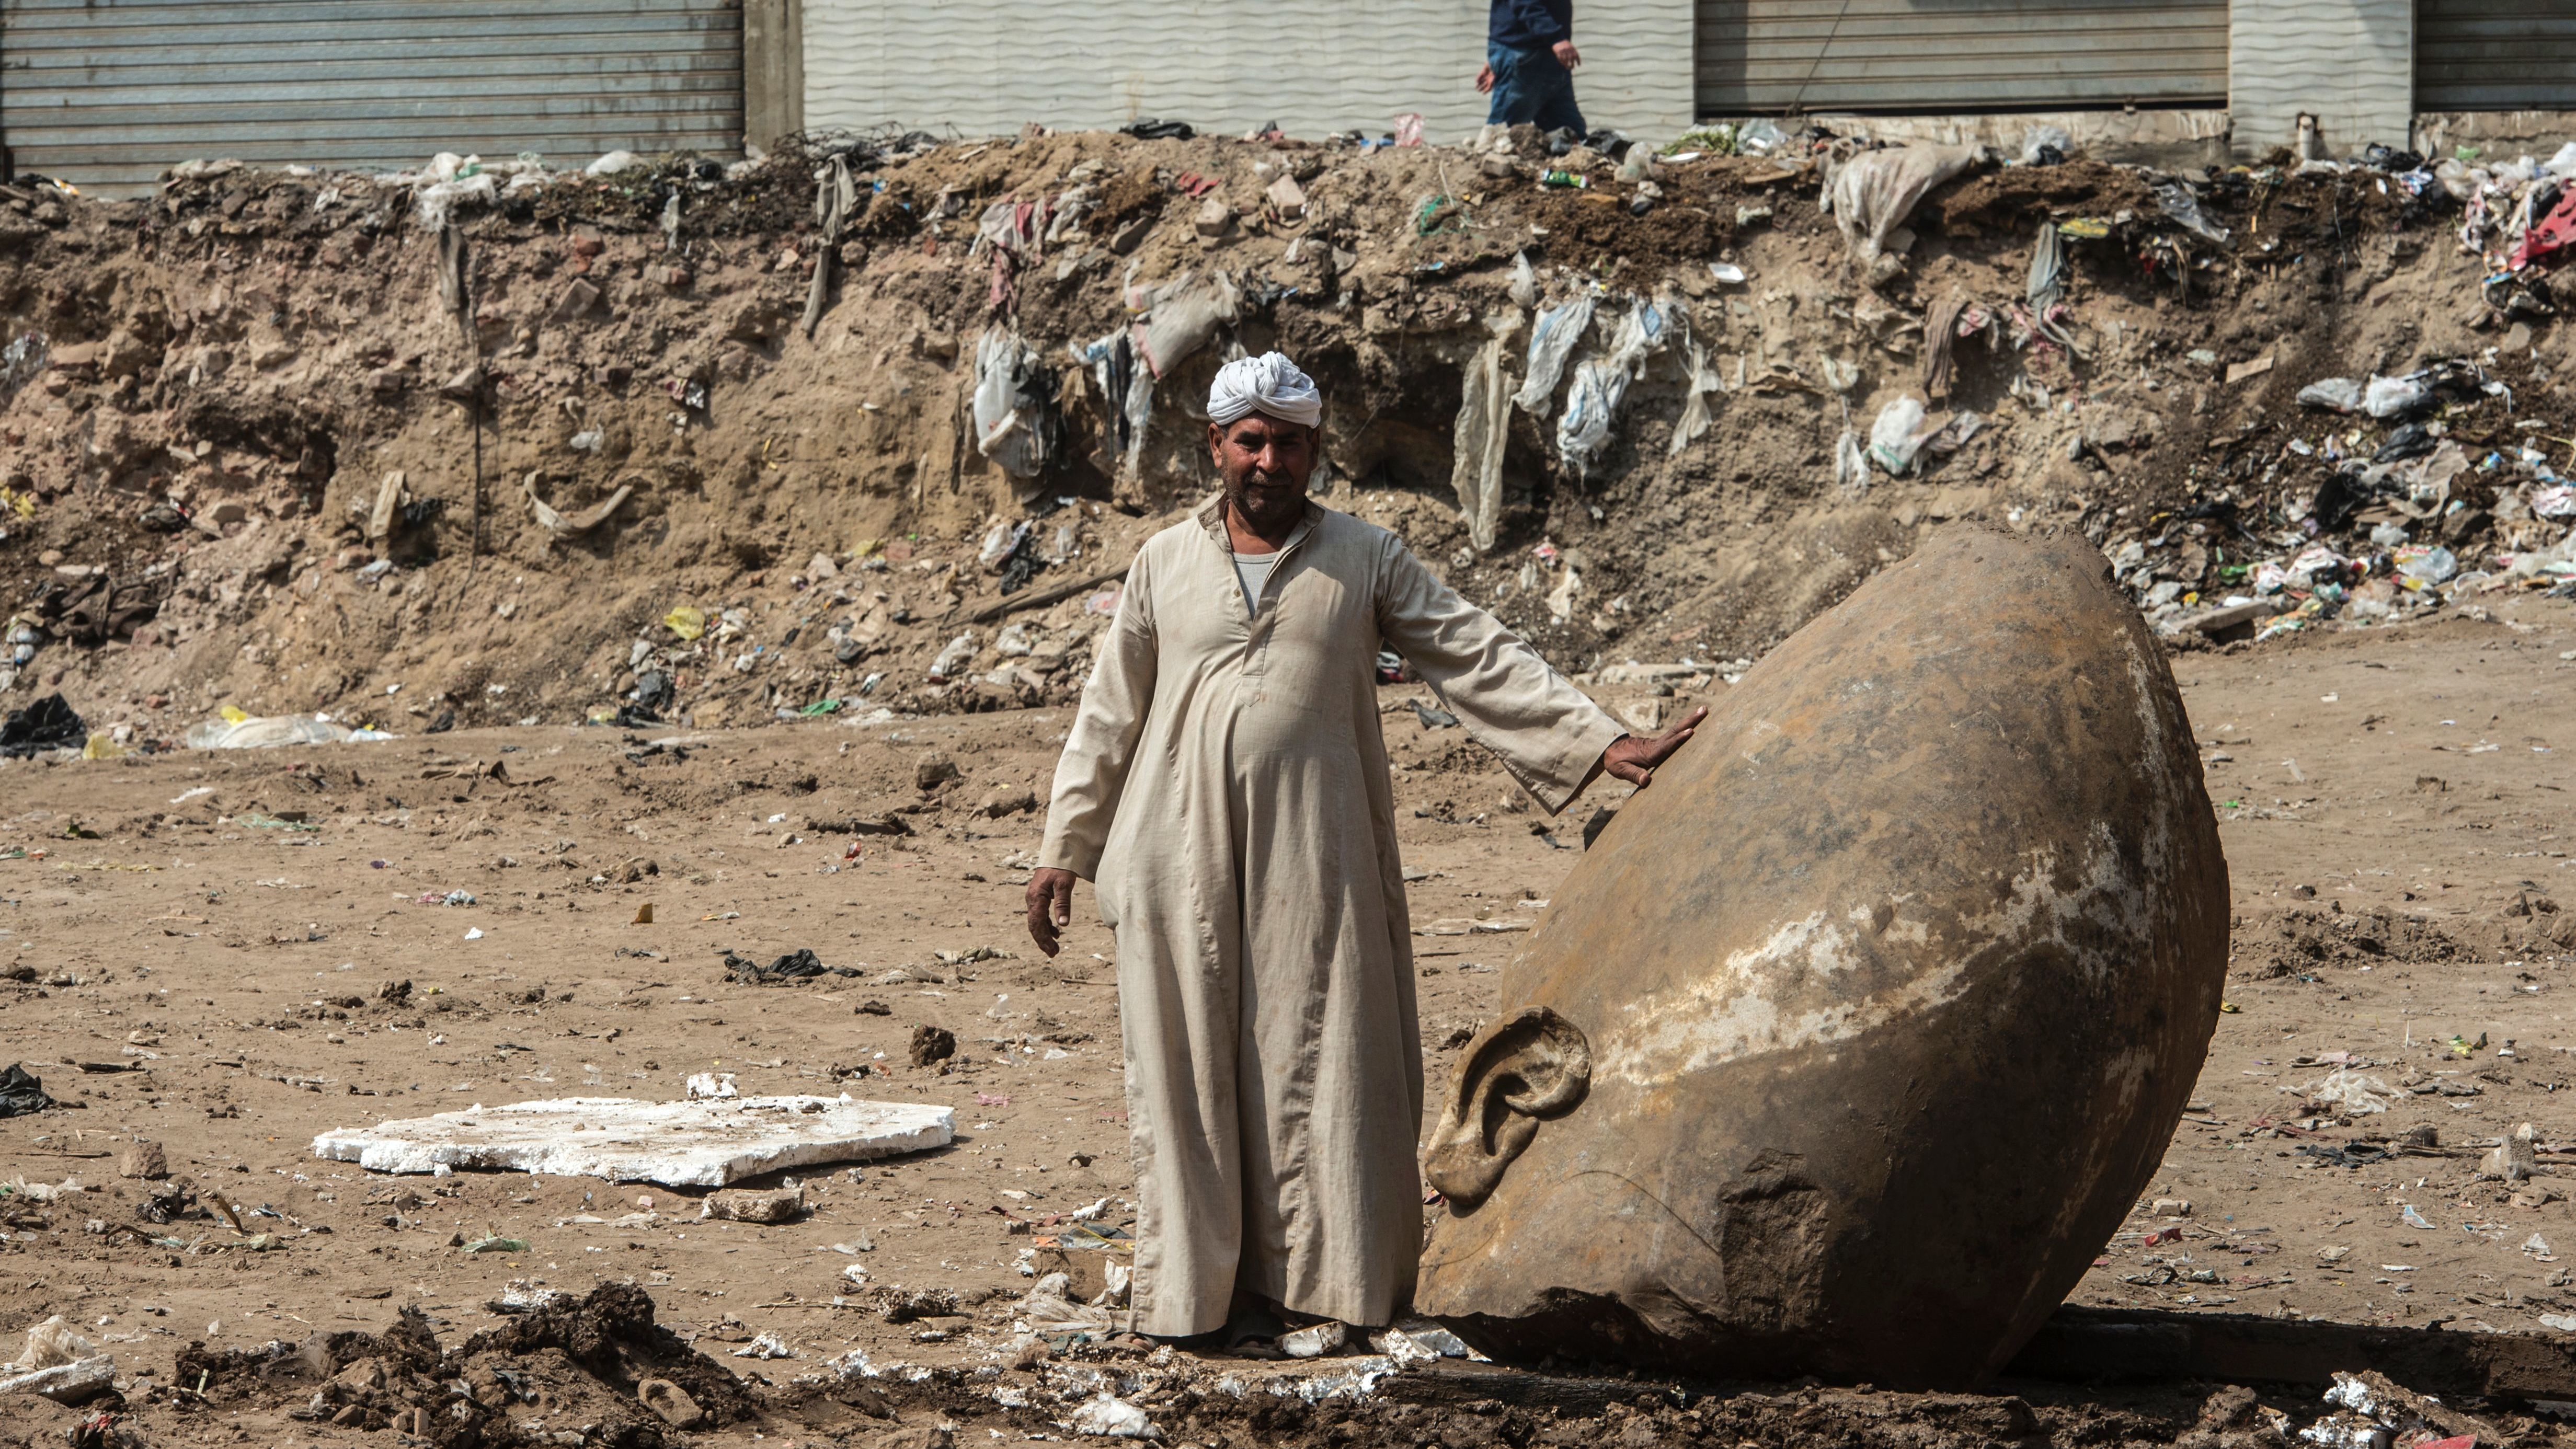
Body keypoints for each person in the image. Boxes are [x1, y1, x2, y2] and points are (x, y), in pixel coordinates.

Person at [1023, 351, 1702, 1347]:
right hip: (1173, 853)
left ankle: (1327, 1290)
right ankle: (1198, 1301)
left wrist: (1599, 740)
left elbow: (1470, 648)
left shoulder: (1364, 557)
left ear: (1313, 451)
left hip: (1318, 850)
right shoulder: (1162, 564)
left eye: (1288, 442)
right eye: (1249, 440)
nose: (1267, 460)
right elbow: (1108, 713)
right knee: (1187, 1069)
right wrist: (1062, 848)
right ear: (1215, 445)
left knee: (1322, 1055)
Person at [1477, 0, 1586, 137]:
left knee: (1571, 140)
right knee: (1501, 138)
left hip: (1541, 56)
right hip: (1527, 56)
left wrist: (1500, 59)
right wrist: (1556, 38)